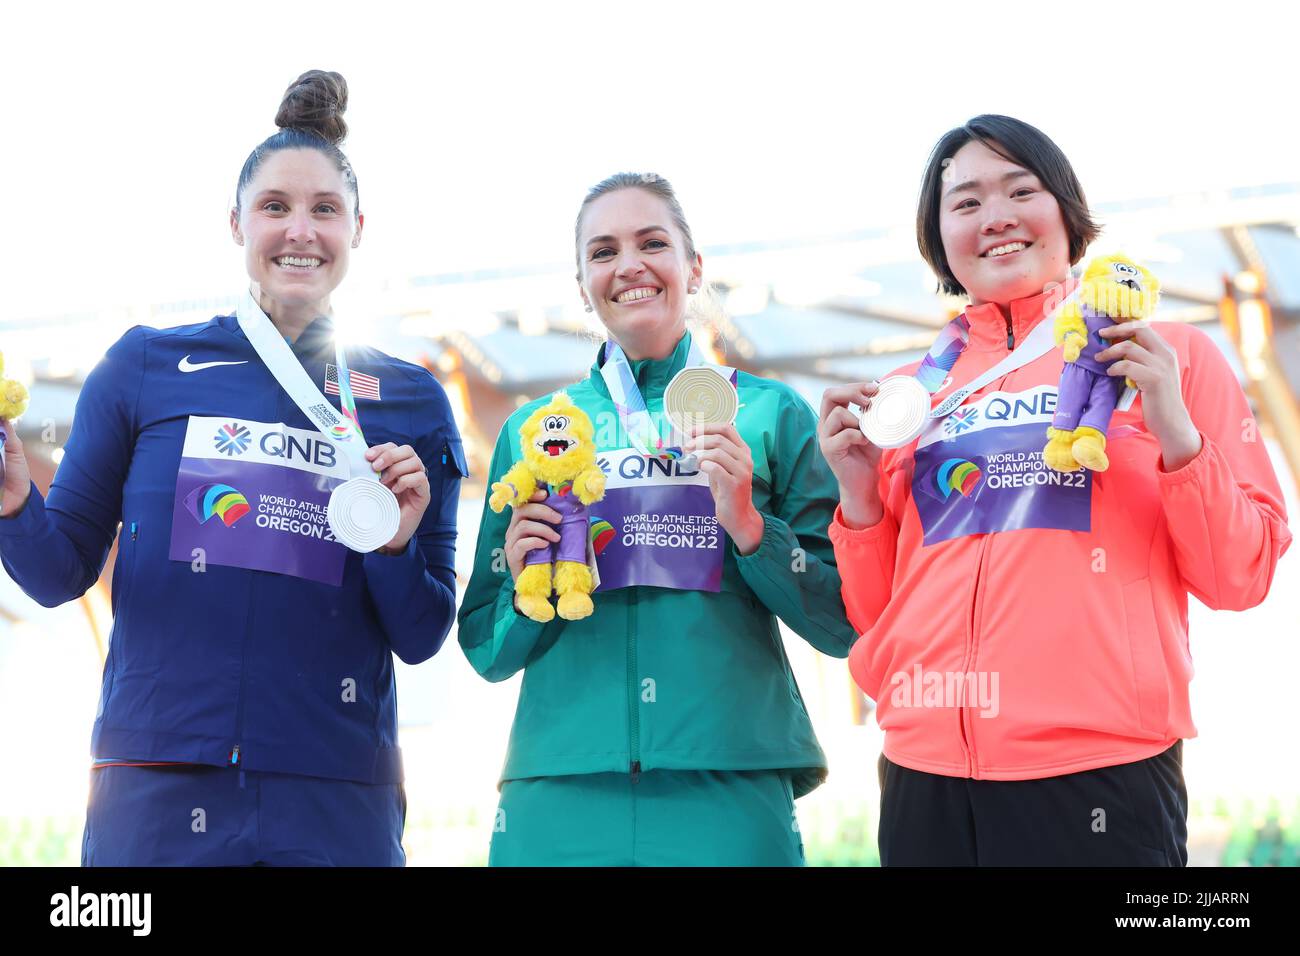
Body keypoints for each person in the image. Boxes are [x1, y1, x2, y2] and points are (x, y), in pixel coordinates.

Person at [0, 70, 467, 866]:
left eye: (325, 209)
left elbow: (422, 634)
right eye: (275, 207)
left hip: (335, 796)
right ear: (236, 222)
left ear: (358, 228)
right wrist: (14, 507)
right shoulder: (145, 364)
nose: (300, 231)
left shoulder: (410, 397)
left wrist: (393, 546)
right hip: (156, 785)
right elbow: (56, 574)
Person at [820, 114, 1292, 866]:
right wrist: (859, 499)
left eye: (1020, 189)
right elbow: (876, 613)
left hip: (1097, 776)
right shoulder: (911, 393)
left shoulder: (1167, 355)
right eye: (966, 202)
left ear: (1067, 213)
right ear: (939, 237)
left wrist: (1176, 430)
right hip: (922, 773)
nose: (996, 216)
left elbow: (1242, 576)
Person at [457, 172, 856, 866]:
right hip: (562, 782)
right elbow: (486, 650)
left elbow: (842, 620)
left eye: (652, 243)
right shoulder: (535, 431)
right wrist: (530, 590)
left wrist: (753, 532)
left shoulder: (768, 413)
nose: (629, 265)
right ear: (582, 284)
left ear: (693, 268)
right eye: (603, 251)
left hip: (729, 777)